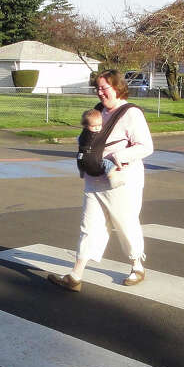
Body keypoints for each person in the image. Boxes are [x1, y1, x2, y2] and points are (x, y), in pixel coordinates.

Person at [48, 69, 154, 292]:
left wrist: (117, 157)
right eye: (97, 88)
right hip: (94, 180)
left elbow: (146, 147)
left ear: (117, 87)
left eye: (104, 88)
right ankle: (76, 275)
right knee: (89, 226)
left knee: (125, 223)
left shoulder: (131, 114)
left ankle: (137, 265)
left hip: (121, 180)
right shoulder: (97, 111)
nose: (100, 93)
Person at [75, 108, 116, 178]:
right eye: (93, 126)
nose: (97, 128)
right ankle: (112, 178)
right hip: (95, 163)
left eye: (99, 125)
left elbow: (79, 140)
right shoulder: (95, 135)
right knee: (110, 165)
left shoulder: (82, 135)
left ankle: (81, 171)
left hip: (81, 161)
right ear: (86, 125)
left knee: (80, 159)